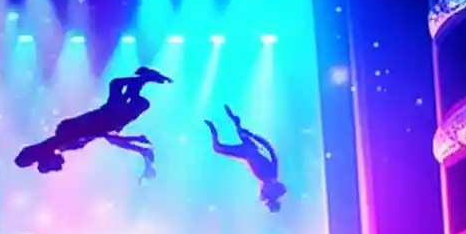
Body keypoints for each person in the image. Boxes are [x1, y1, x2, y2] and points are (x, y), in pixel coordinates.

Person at [15, 67, 171, 174]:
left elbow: (102, 135)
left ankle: (146, 77)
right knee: (120, 88)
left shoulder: (62, 142)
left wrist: (136, 142)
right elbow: (103, 135)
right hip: (106, 120)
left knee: (120, 89)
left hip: (106, 119)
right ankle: (146, 77)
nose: (60, 165)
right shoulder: (63, 142)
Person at [204, 105, 287, 212]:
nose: (262, 188)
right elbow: (271, 151)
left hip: (249, 150)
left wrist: (253, 137)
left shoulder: (265, 182)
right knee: (218, 147)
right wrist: (254, 136)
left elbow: (270, 151)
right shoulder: (272, 174)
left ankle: (233, 123)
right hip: (248, 151)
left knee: (233, 137)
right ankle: (225, 125)